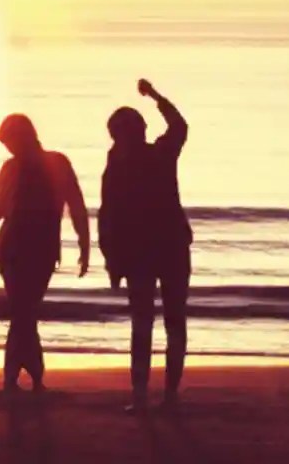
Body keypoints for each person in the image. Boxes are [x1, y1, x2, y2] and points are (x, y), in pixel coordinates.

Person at [0, 114, 90, 393]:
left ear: (23, 136)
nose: (9, 149)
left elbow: (76, 205)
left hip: (42, 250)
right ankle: (25, 379)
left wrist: (84, 245)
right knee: (24, 313)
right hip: (12, 250)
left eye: (9, 142)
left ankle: (21, 378)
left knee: (24, 313)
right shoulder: (12, 168)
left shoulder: (57, 163)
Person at [99, 79, 191, 414]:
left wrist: (112, 260)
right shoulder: (155, 156)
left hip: (153, 253)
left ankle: (152, 395)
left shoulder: (128, 163)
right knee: (167, 322)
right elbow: (108, 218)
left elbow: (107, 219)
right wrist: (155, 96)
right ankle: (162, 395)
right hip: (164, 252)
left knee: (152, 323)